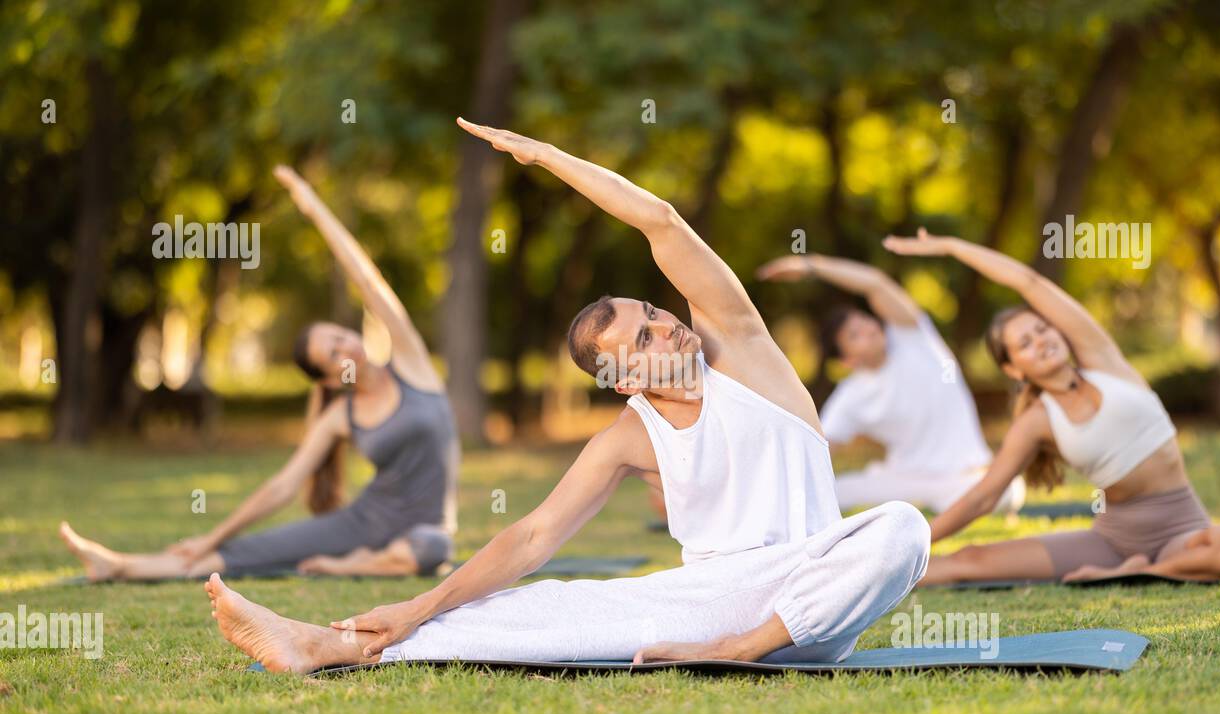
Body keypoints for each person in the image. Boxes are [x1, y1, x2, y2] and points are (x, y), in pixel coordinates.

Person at [204, 118, 931, 673]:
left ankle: (745, 650)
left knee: (903, 527)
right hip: (709, 602)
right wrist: (417, 605)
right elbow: (531, 538)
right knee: (544, 601)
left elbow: (662, 223)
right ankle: (324, 645)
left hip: (807, 600)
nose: (667, 327)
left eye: (654, 315)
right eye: (642, 340)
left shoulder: (746, 354)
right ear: (621, 380)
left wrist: (546, 157)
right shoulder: (627, 435)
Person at [59, 166, 459, 581]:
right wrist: (213, 536)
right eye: (333, 353)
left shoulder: (413, 368)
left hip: (423, 536)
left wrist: (312, 205)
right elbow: (282, 487)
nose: (348, 348)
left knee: (434, 547)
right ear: (326, 380)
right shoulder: (342, 416)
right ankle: (120, 565)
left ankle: (351, 566)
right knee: (245, 553)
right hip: (359, 525)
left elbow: (368, 282)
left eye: (341, 336)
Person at [879, 229, 1220, 586]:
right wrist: (912, 541)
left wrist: (952, 247)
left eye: (1042, 330)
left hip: (1184, 532)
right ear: (1014, 368)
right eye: (1025, 343)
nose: (1041, 341)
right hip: (1112, 542)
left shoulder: (1104, 362)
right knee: (969, 560)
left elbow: (1029, 283)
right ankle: (871, 578)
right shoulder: (1037, 421)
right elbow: (983, 497)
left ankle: (1144, 572)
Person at [755, 253, 1025, 515]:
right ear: (847, 360)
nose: (868, 328)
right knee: (832, 493)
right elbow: (819, 449)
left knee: (1009, 491)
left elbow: (875, 283)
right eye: (854, 334)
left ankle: (943, 507)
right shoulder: (851, 395)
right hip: (903, 481)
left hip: (967, 475)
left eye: (865, 321)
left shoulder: (912, 336)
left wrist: (810, 265)